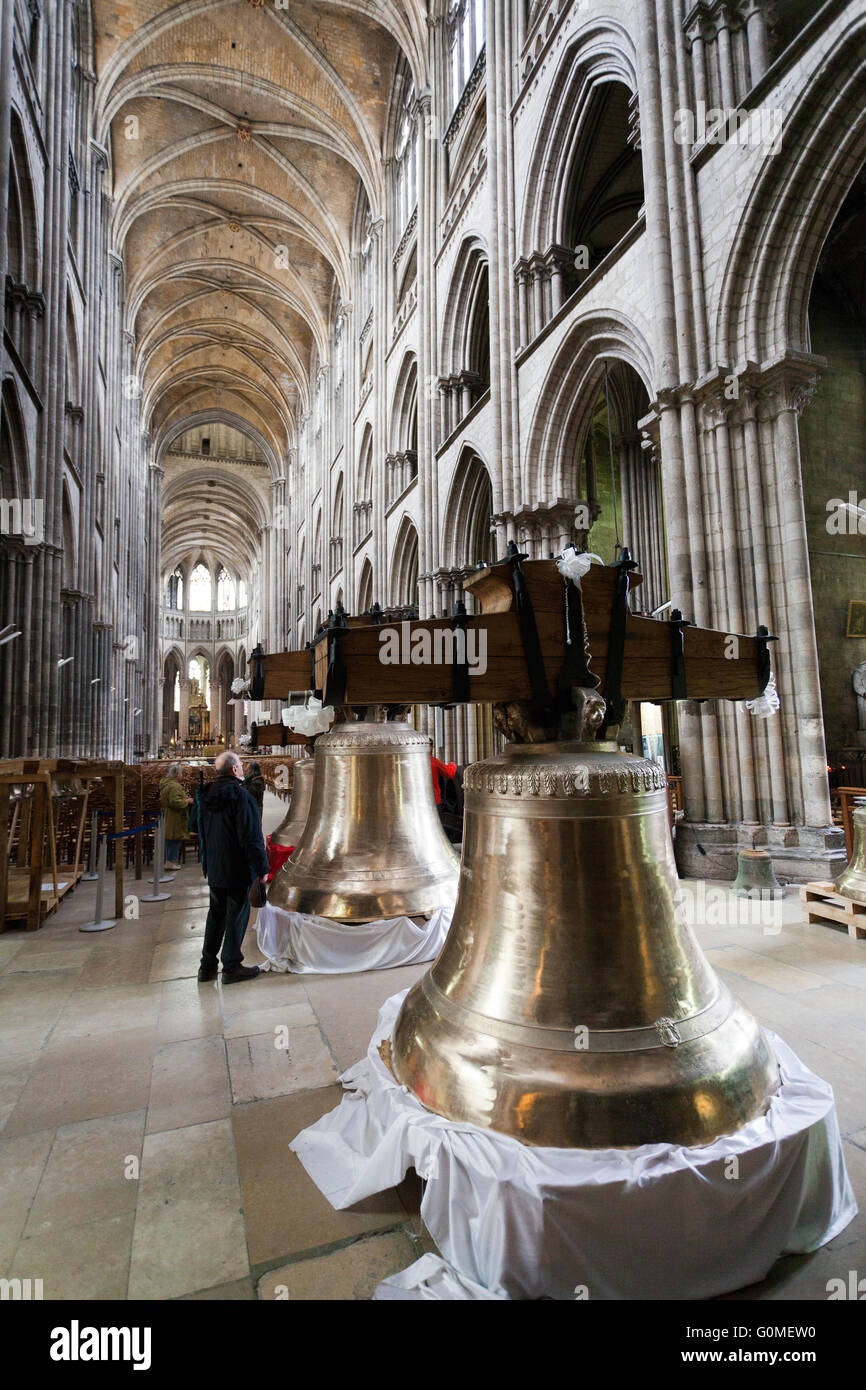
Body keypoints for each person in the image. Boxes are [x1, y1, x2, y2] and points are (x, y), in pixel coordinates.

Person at [198, 750, 269, 984]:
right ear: (234, 769)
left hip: (216, 866)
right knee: (237, 915)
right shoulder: (242, 796)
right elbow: (251, 836)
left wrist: (207, 861)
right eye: (240, 763)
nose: (242, 765)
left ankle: (207, 967)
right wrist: (262, 868)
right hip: (237, 867)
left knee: (215, 915)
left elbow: (197, 828)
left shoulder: (206, 794)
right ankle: (231, 966)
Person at [159, 763, 192, 870]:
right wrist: (187, 801)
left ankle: (169, 860)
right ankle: (170, 861)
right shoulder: (174, 786)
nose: (182, 775)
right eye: (181, 773)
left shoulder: (167, 784)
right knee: (175, 839)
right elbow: (175, 802)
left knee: (170, 839)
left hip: (170, 815)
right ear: (177, 774)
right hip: (175, 816)